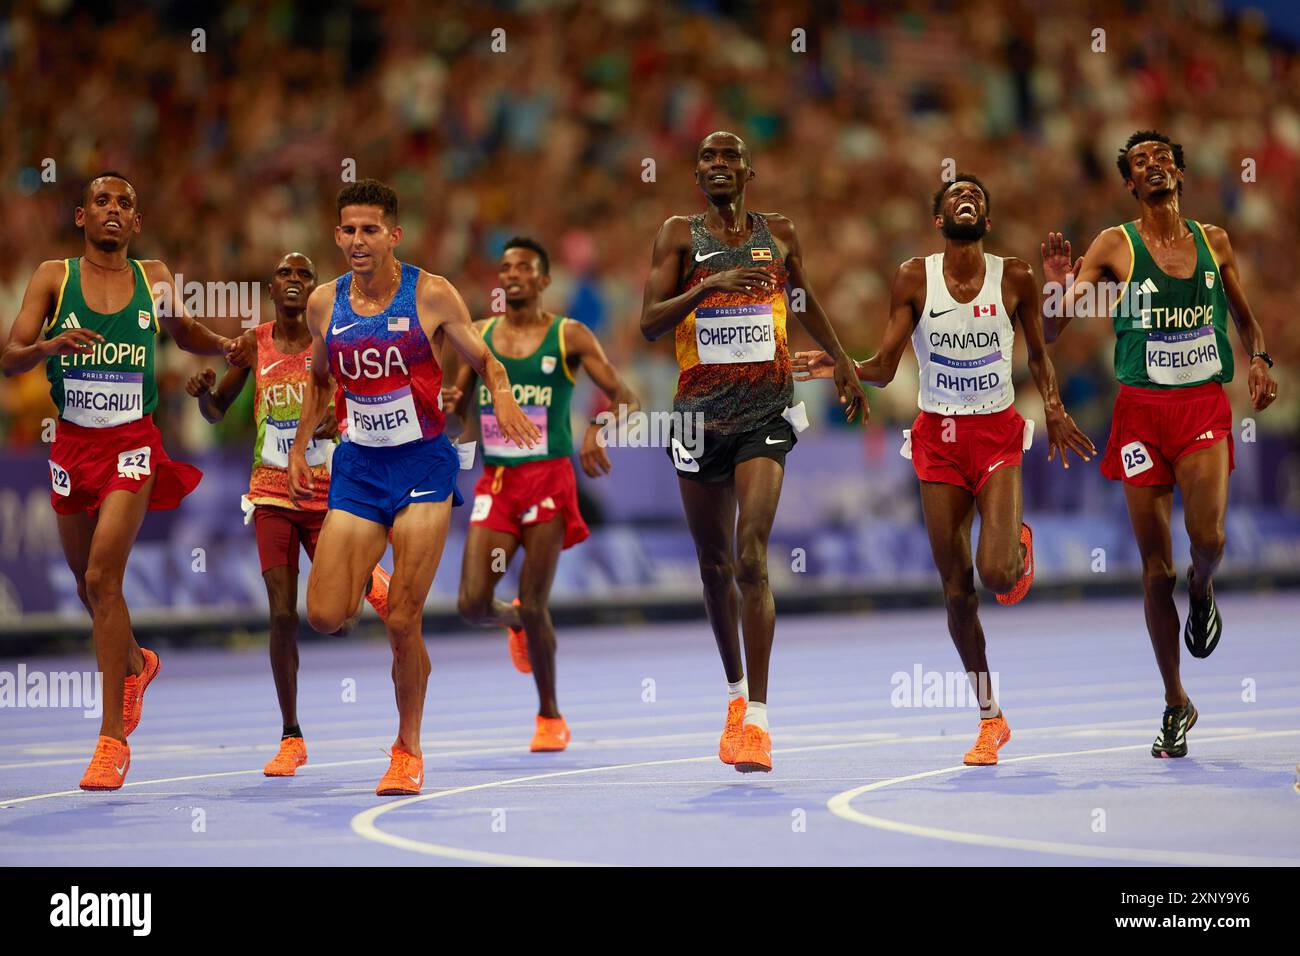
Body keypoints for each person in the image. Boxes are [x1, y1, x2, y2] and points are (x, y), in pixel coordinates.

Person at [796, 175, 1094, 765]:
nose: (968, 199)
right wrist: (841, 363)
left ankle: (1014, 545)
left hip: (995, 431)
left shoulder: (1015, 277)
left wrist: (1055, 408)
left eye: (979, 197)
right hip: (939, 437)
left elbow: (1042, 345)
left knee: (998, 576)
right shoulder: (914, 276)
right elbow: (883, 365)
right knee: (958, 591)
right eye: (957, 195)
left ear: (986, 219)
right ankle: (989, 717)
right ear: (939, 220)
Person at [0, 172, 251, 790]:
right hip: (71, 444)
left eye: (125, 204)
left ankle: (111, 740)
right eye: (102, 201)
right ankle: (136, 662)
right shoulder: (52, 278)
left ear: (135, 224)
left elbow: (180, 330)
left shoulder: (153, 278)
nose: (114, 209)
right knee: (92, 595)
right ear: (82, 216)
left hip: (132, 444)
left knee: (100, 577)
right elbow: (9, 358)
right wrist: (50, 346)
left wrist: (225, 346)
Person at [288, 179, 538, 796]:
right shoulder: (325, 302)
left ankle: (407, 749)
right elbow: (320, 380)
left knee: (404, 620)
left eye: (369, 229)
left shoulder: (430, 293)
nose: (356, 241)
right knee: (322, 615)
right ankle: (372, 581)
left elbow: (489, 362)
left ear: (393, 235)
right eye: (347, 230)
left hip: (423, 466)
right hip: (357, 469)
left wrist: (502, 398)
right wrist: (299, 443)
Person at [1041, 130, 1278, 758]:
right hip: (1142, 413)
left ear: (1178, 170)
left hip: (1202, 404)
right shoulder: (1114, 246)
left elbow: (1244, 315)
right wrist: (1060, 284)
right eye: (1140, 162)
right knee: (1154, 571)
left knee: (1210, 539)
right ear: (1129, 182)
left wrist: (1259, 357)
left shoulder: (1213, 241)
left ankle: (1202, 591)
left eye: (1162, 157)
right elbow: (1054, 327)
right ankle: (1176, 700)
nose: (1154, 166)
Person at [639, 132, 868, 773]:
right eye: (707, 158)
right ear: (697, 176)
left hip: (765, 412)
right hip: (697, 420)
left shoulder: (781, 233)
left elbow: (804, 299)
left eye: (728, 157)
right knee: (713, 565)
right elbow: (650, 322)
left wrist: (845, 362)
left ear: (749, 171)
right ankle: (735, 696)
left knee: (749, 554)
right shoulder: (678, 236)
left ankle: (761, 720)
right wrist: (707, 290)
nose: (717, 166)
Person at [186, 252, 392, 778]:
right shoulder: (254, 345)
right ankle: (291, 735)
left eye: (305, 273)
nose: (296, 280)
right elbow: (218, 411)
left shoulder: (336, 340)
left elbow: (363, 400)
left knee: (337, 622)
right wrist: (206, 396)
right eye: (286, 274)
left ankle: (366, 577)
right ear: (273, 289)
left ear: (315, 288)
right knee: (282, 614)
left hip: (330, 497)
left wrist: (333, 423)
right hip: (273, 494)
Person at [448, 237, 640, 752]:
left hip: (550, 480)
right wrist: (446, 405)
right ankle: (510, 621)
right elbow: (455, 415)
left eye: (523, 267)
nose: (511, 274)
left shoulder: (568, 335)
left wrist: (597, 427)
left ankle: (549, 715)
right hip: (498, 483)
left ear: (544, 279)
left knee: (537, 603)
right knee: (471, 604)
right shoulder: (478, 336)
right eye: (504, 266)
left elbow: (627, 395)